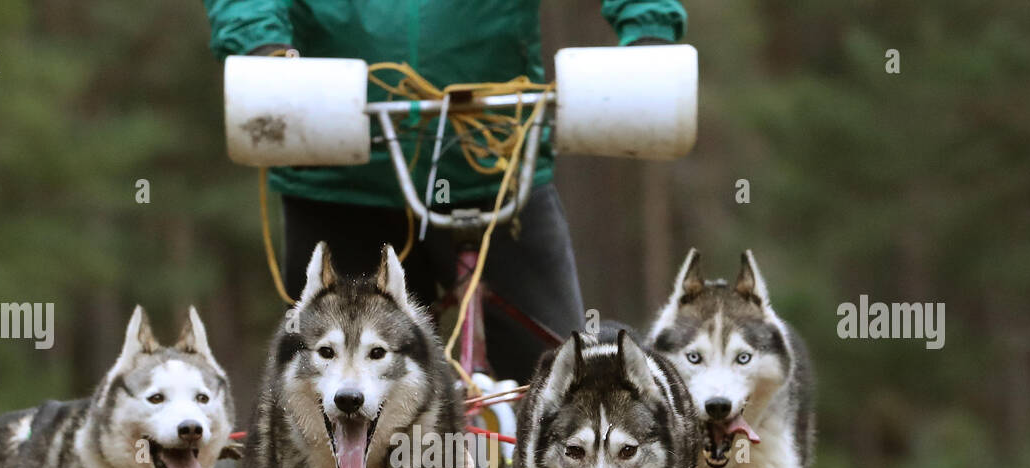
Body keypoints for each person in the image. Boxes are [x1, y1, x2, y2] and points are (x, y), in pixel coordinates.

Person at [202, 0, 687, 381]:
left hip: (496, 177)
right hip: (339, 180)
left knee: (571, 383)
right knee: (322, 398)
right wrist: (262, 49)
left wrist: (648, 33)